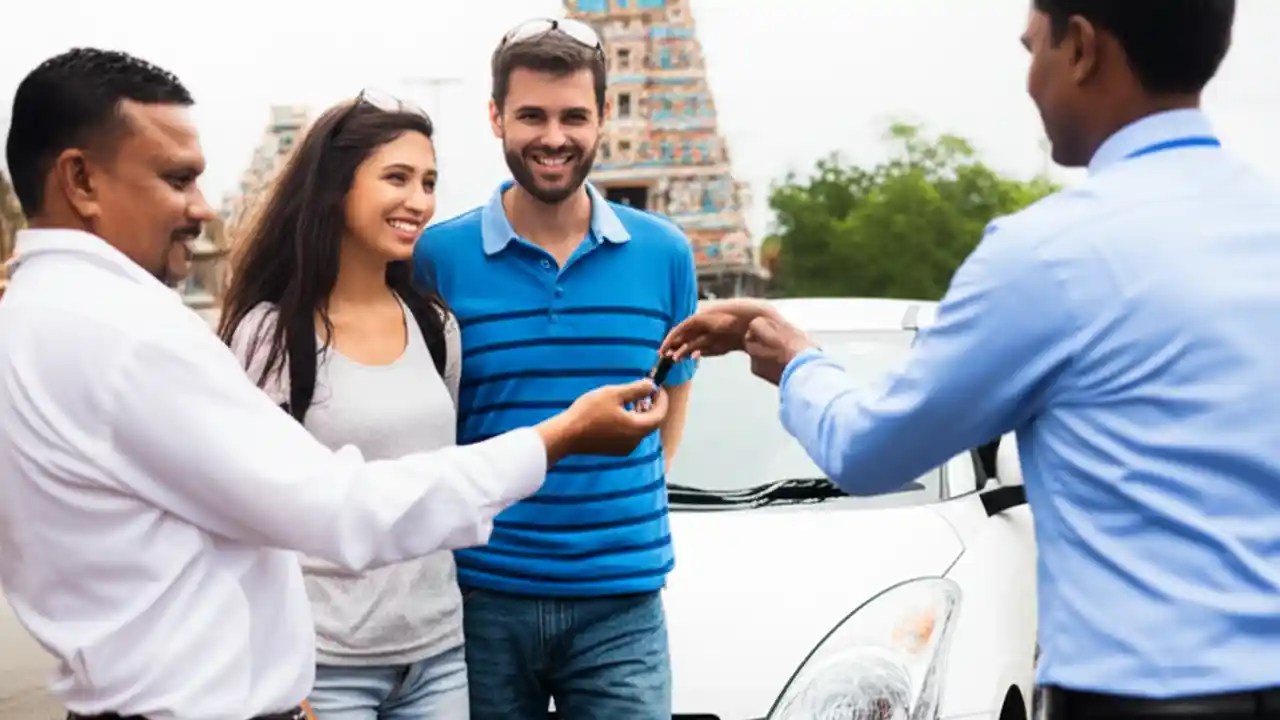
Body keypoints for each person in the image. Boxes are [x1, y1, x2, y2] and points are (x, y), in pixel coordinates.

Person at [0, 47, 668, 720]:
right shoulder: (124, 335)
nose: (202, 208)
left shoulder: (33, 319)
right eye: (178, 179)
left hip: (420, 646)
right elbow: (340, 509)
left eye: (428, 182)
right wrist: (559, 437)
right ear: (81, 180)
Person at [665, 2, 1280, 719]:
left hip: (1139, 697)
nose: (1029, 82)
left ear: (1080, 47)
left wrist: (797, 359)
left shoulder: (1048, 256)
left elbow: (870, 452)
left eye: (1032, 50)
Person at [413, 17, 698, 719]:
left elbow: (667, 430)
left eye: (574, 115)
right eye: (531, 115)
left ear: (605, 115)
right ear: (495, 118)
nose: (553, 137)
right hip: (482, 597)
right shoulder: (437, 258)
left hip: (621, 603)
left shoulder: (665, 254)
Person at [217, 93, 473, 719]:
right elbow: (241, 515)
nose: (419, 201)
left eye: (429, 182)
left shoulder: (436, 326)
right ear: (335, 189)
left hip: (438, 656)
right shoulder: (270, 334)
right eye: (397, 178)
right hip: (322, 666)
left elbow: (441, 477)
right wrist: (273, 669)